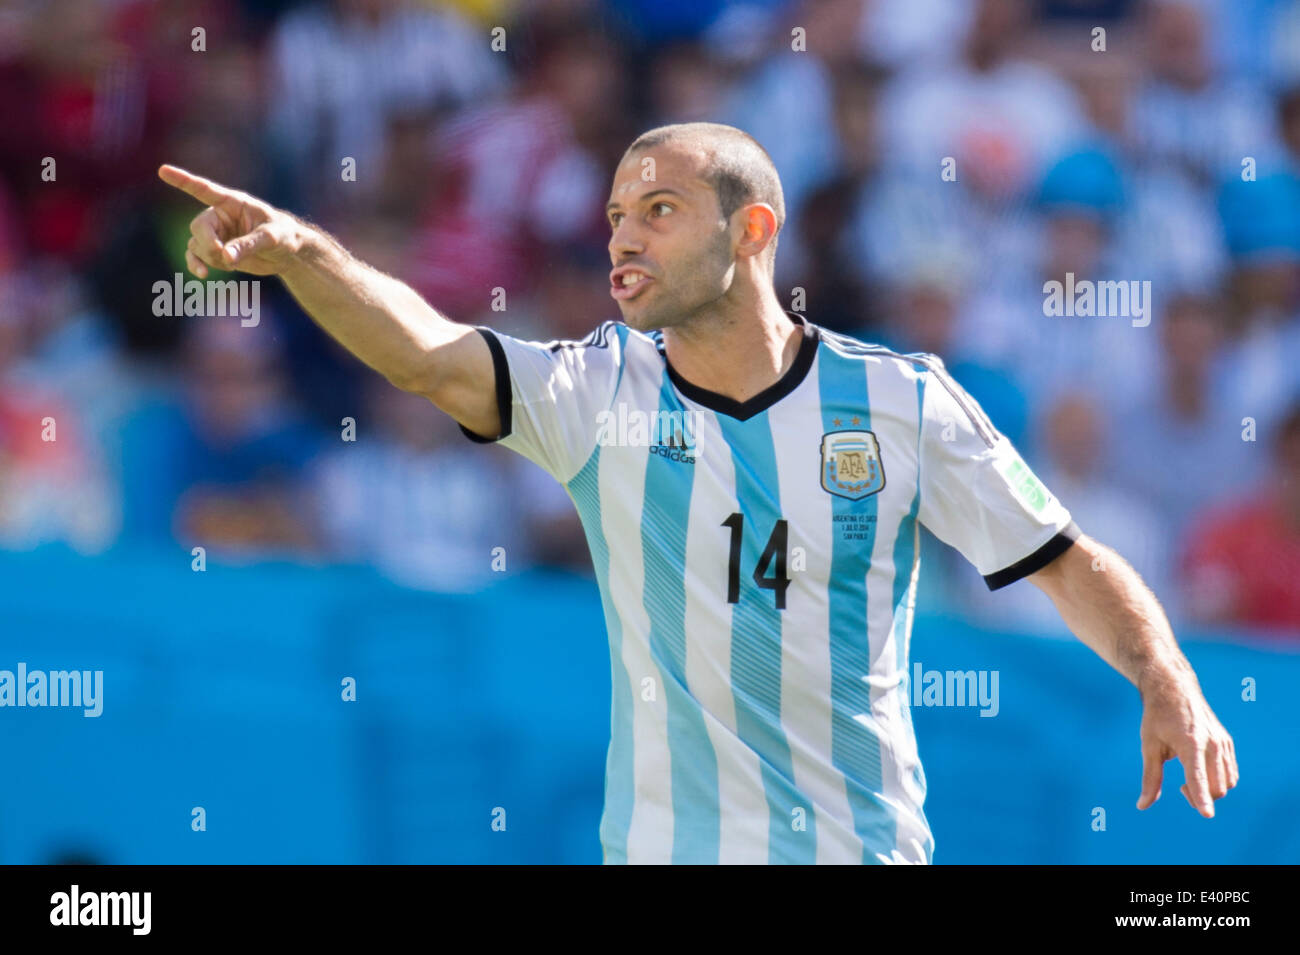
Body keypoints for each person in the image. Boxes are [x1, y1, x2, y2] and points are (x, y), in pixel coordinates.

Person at [157, 120, 1238, 865]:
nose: (622, 234)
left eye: (660, 208)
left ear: (751, 230)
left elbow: (1063, 557)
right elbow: (429, 354)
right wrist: (299, 253)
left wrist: (1161, 669)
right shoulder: (594, 392)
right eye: (617, 212)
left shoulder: (900, 403)